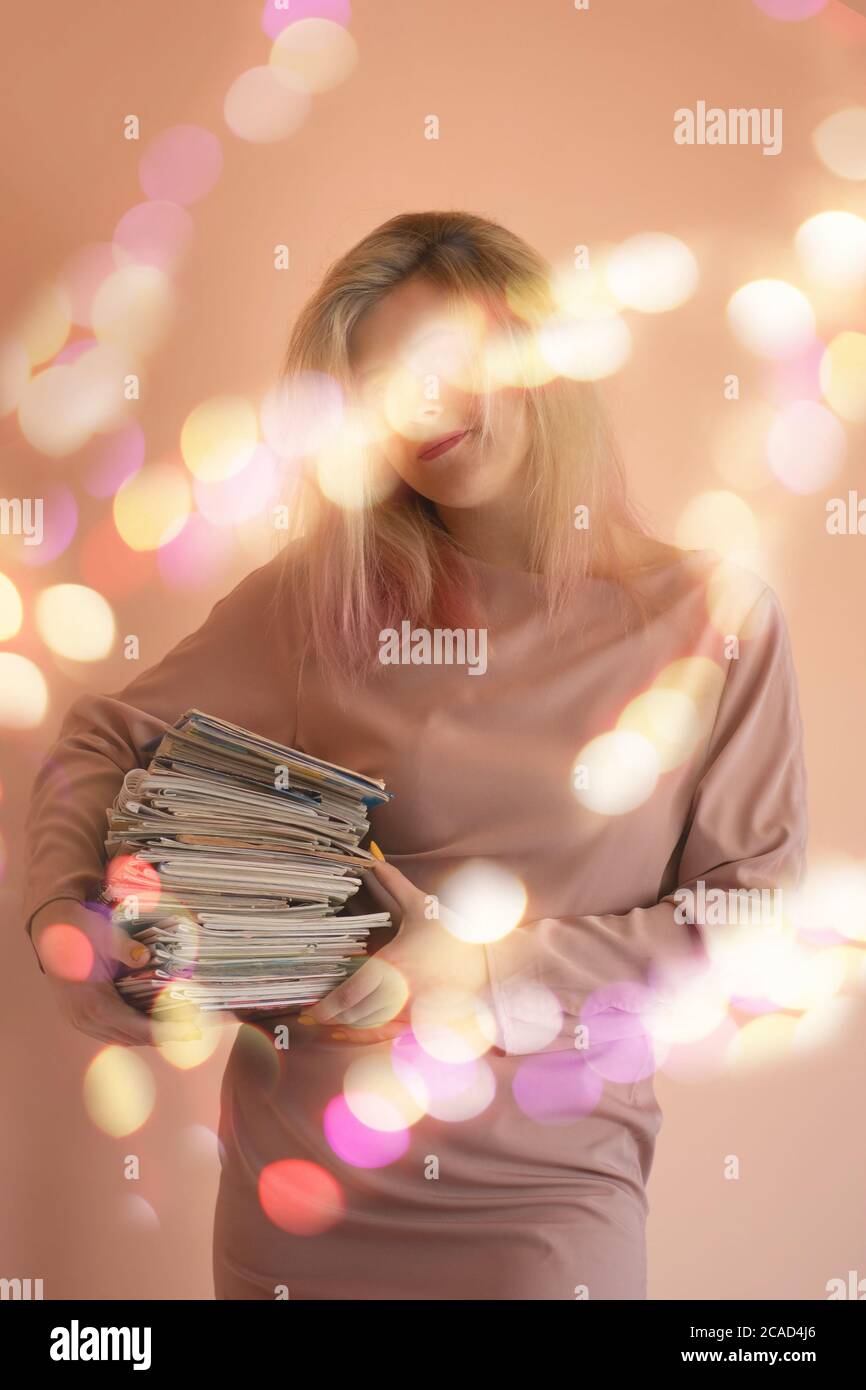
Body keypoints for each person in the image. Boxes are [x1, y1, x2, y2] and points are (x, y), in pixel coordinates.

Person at [24, 210, 807, 1300]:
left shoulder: (710, 615)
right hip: (297, 1207)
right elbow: (104, 736)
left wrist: (480, 969)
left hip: (542, 1210)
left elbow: (741, 928)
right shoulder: (321, 600)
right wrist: (67, 917)